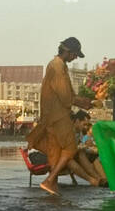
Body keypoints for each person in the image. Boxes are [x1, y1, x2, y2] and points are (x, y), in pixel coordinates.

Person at [26, 37, 93, 195]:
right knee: (70, 148)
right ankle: (50, 180)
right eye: (75, 54)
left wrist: (79, 100)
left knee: (55, 151)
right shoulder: (57, 66)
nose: (75, 58)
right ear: (68, 52)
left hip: (51, 116)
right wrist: (82, 102)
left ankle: (52, 184)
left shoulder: (56, 65)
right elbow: (65, 96)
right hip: (58, 115)